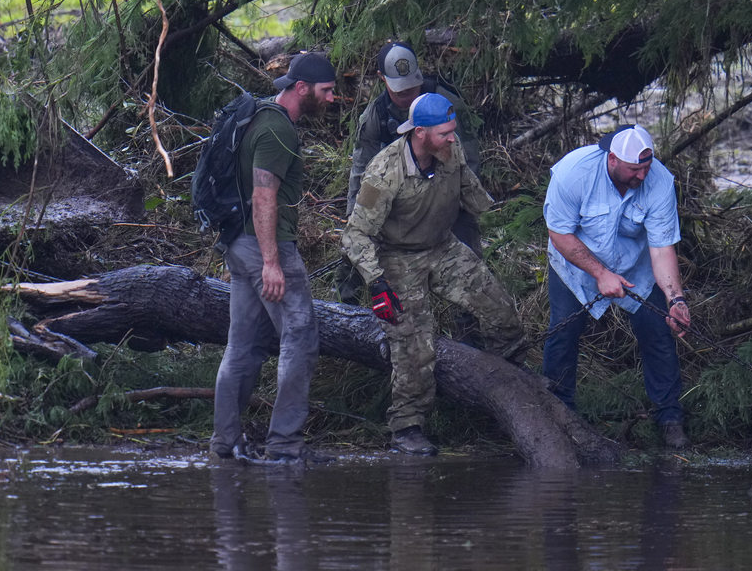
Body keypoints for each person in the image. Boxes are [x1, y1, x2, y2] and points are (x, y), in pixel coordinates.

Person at [341, 92, 526, 455]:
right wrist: (377, 283)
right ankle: (407, 426)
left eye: (453, 132)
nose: (453, 139)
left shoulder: (449, 152)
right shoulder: (385, 171)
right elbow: (355, 234)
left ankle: (507, 386)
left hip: (443, 248)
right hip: (396, 259)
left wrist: (511, 218)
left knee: (503, 313)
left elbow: (474, 196)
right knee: (413, 345)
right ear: (420, 133)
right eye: (445, 133)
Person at [210, 52, 337, 463]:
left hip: (237, 244)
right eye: (327, 91)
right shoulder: (277, 130)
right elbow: (263, 197)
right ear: (301, 89)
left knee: (243, 345)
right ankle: (285, 444)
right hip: (264, 246)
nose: (333, 98)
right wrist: (271, 261)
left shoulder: (260, 116)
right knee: (300, 335)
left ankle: (225, 442)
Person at [541, 124, 693, 449]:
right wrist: (599, 273)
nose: (642, 176)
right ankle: (558, 414)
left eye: (646, 168)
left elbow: (662, 247)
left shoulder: (659, 182)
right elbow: (560, 233)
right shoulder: (573, 173)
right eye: (635, 169)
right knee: (562, 334)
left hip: (635, 267)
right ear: (612, 160)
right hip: (575, 266)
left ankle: (669, 417)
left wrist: (675, 299)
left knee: (658, 333)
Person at [345, 40, 482, 255]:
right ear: (382, 79)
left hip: (449, 202)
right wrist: (356, 223)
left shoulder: (446, 103)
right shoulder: (375, 117)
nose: (408, 96)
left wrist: (458, 206)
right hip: (400, 208)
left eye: (412, 88)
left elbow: (469, 159)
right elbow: (361, 172)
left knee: (467, 260)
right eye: (401, 92)